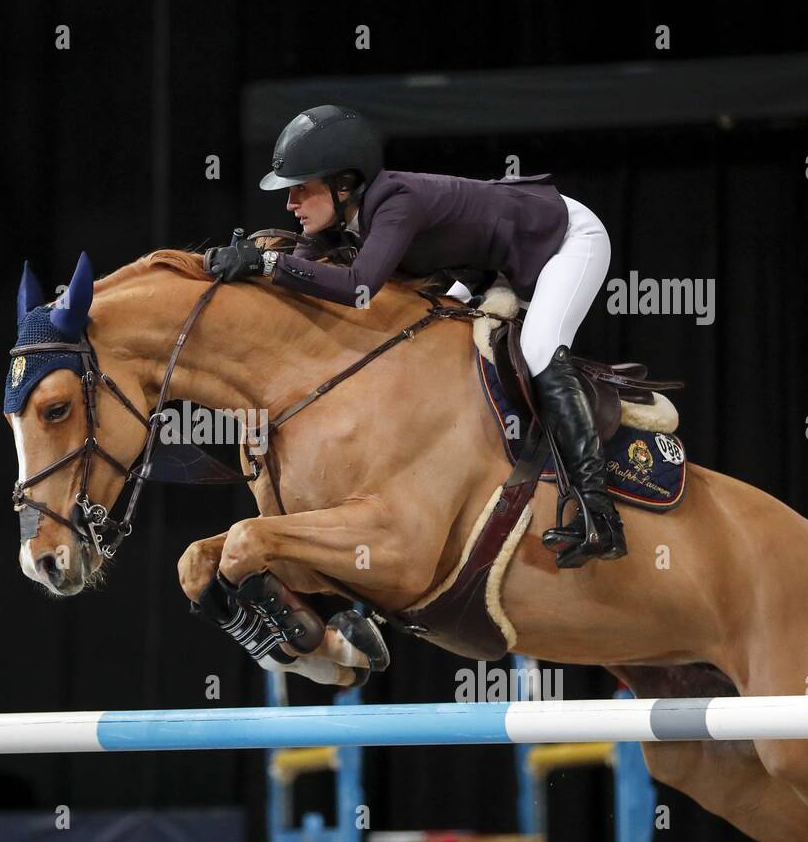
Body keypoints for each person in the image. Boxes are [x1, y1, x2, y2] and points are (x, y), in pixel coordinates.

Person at [207, 104, 622, 568]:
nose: (290, 204)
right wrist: (249, 265)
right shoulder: (341, 222)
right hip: (489, 267)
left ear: (343, 185)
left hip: (565, 240)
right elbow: (302, 272)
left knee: (540, 349)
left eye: (301, 189)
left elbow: (358, 289)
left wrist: (267, 264)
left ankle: (599, 513)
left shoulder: (397, 201)